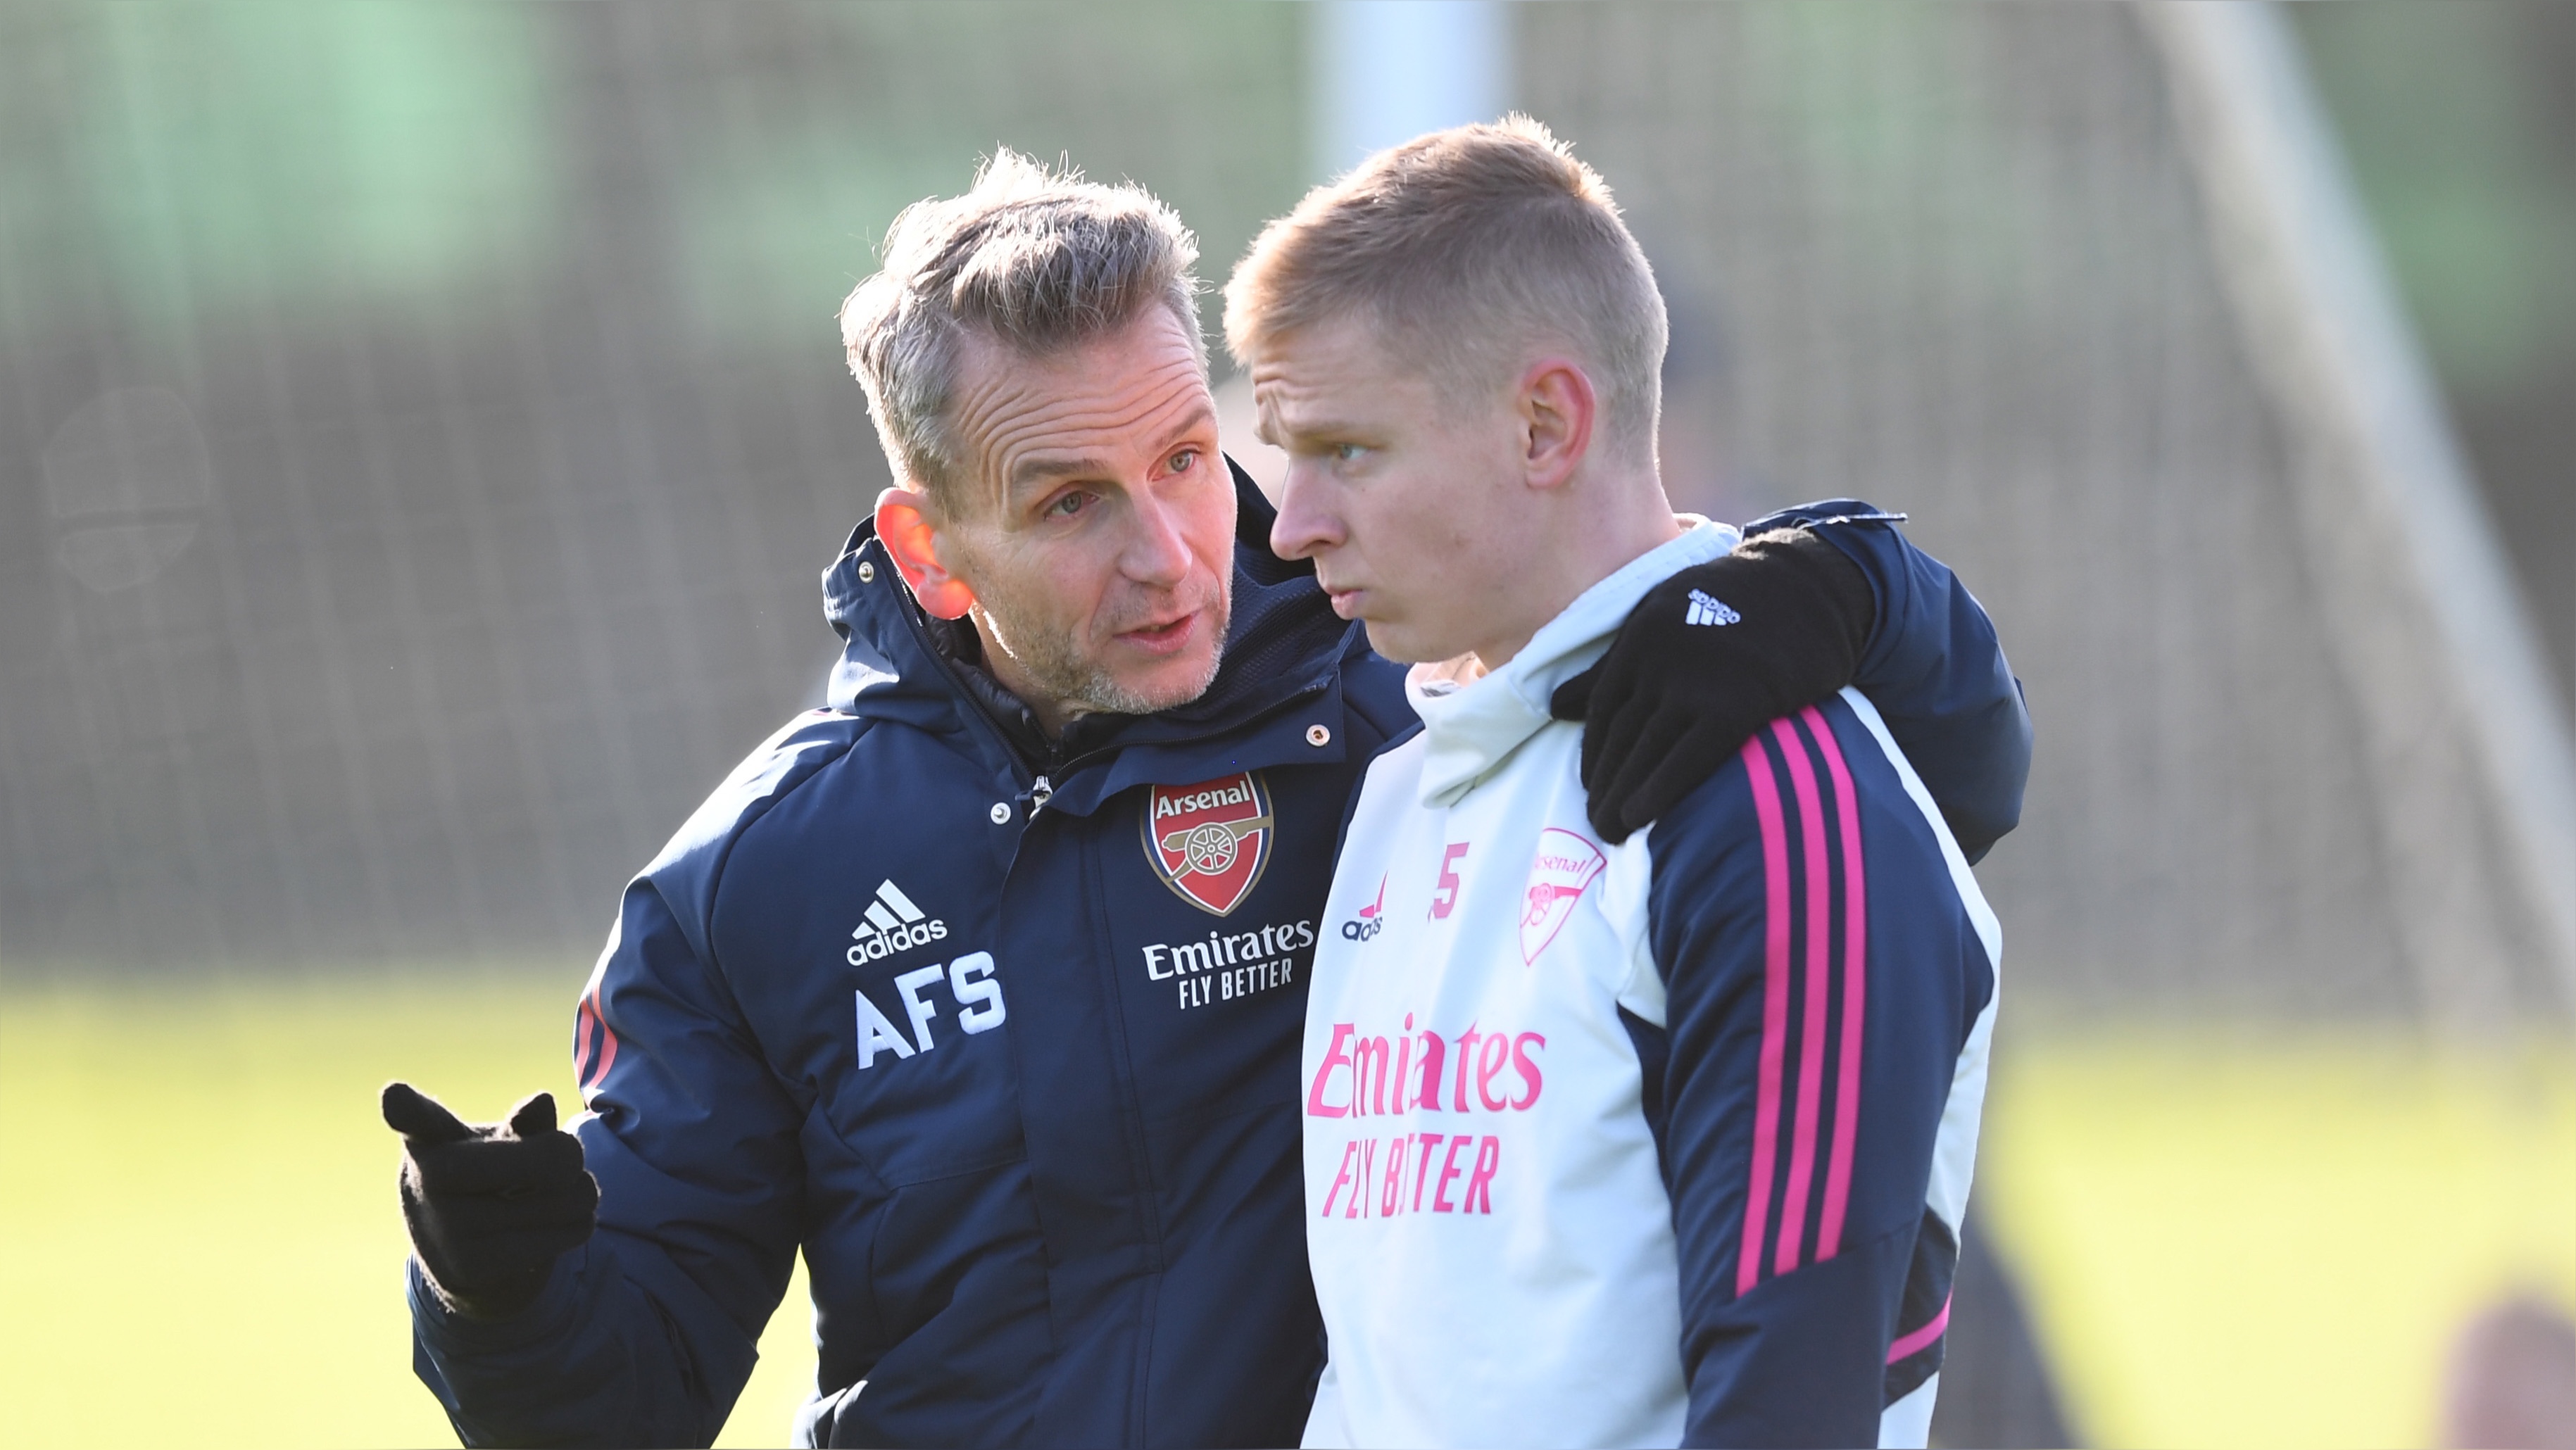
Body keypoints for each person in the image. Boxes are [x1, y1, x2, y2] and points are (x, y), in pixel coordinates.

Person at [382, 150, 2028, 1448]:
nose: (1173, 551)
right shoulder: (763, 885)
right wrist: (500, 1290)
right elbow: (617, 1402)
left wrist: (1861, 587)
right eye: (1072, 499)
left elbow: (1922, 806)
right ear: (928, 552)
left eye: (1184, 459)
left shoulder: (1414, 712)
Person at [1231, 119, 2005, 1449]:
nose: (1293, 526)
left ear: (1546, 425)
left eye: (1346, 452)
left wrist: (1873, 582)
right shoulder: (1403, 785)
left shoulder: (1772, 799)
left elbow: (1788, 1402)